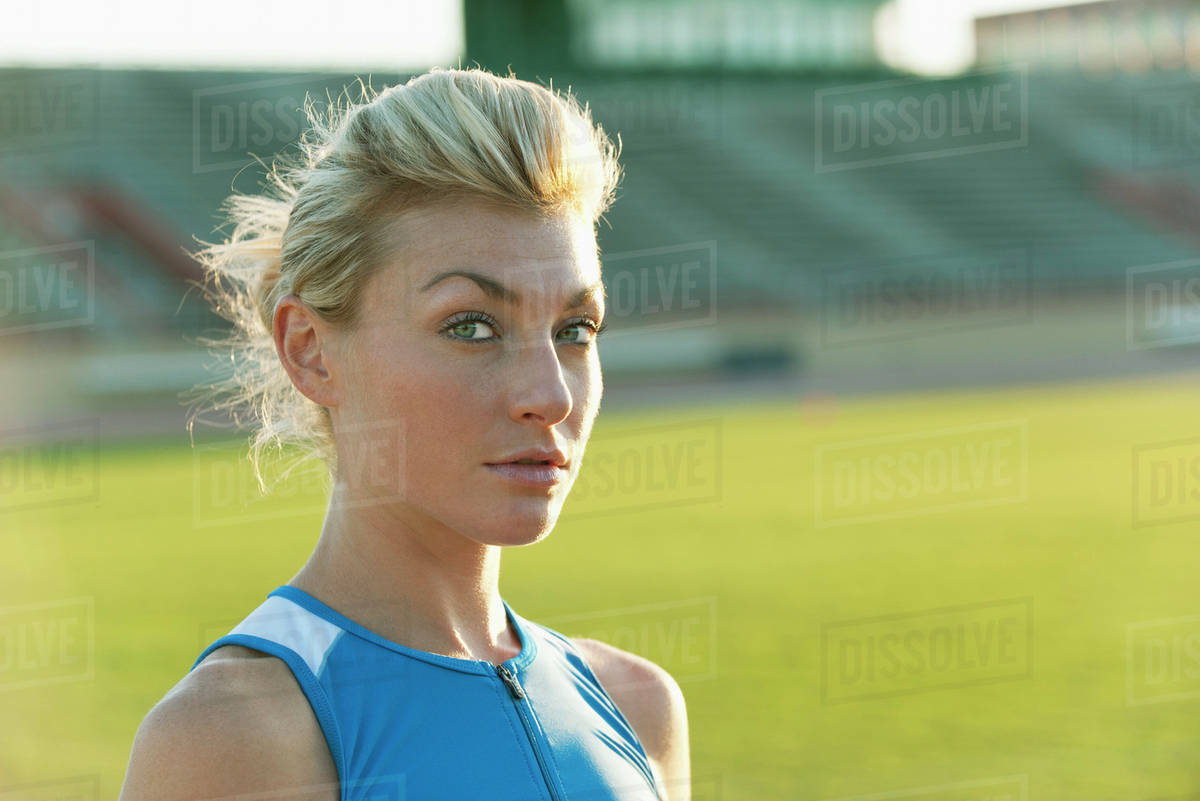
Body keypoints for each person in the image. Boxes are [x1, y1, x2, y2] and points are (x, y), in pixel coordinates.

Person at [117, 67, 691, 801]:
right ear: (310, 350)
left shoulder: (639, 708)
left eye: (575, 330)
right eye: (472, 326)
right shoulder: (236, 737)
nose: (549, 394)